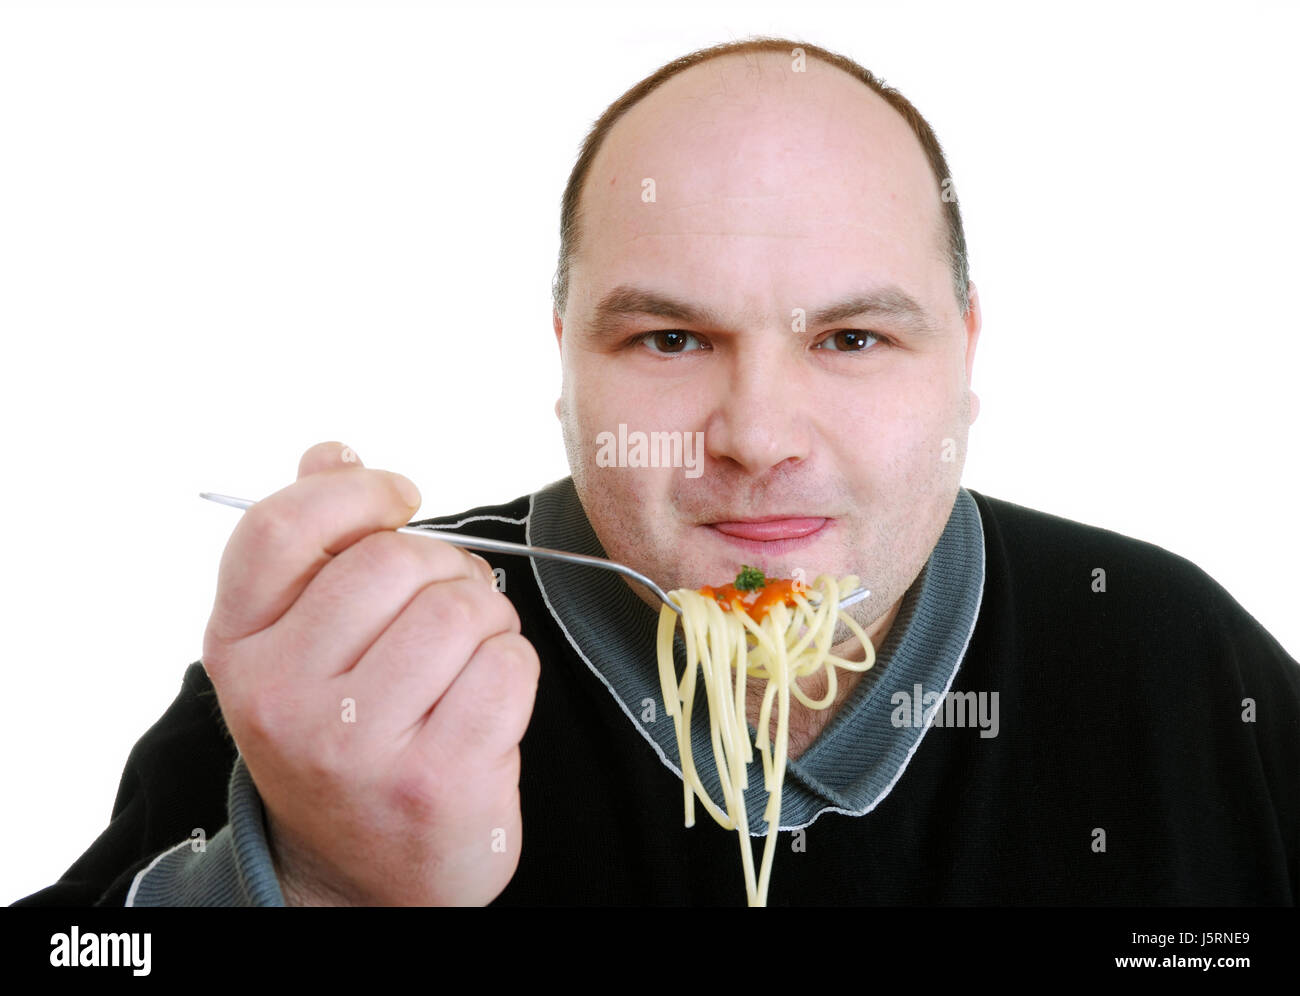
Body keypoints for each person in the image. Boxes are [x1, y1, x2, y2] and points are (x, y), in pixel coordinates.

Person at [14, 37, 1299, 907]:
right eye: (670, 338)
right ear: (563, 359)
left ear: (963, 357)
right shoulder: (358, 673)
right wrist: (319, 884)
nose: (757, 434)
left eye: (852, 337)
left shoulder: (1170, 652)